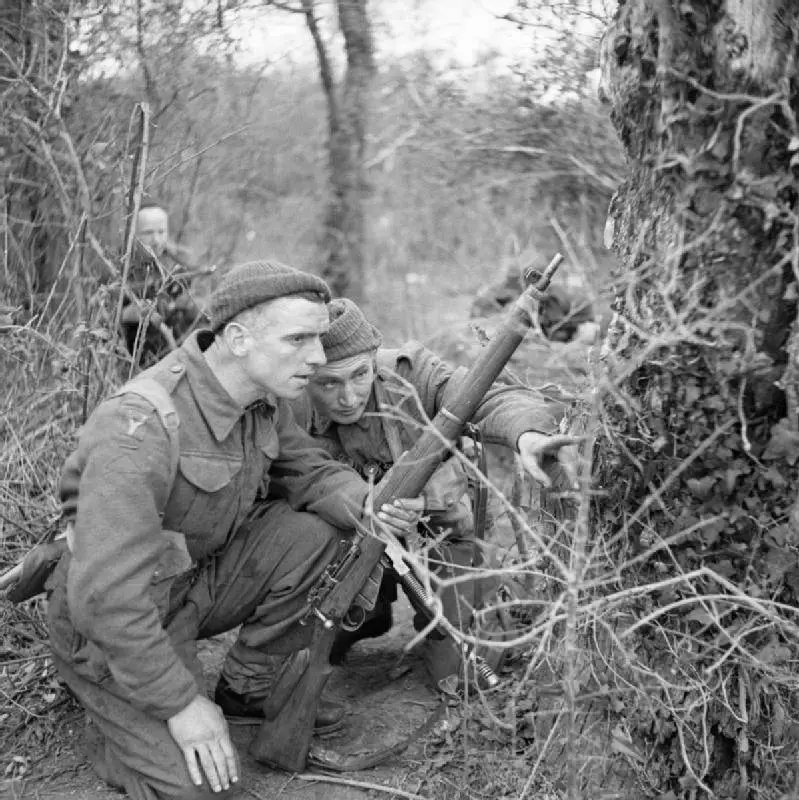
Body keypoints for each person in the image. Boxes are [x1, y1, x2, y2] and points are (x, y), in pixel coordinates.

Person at [47, 261, 421, 799]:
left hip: (191, 587)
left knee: (326, 532)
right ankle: (119, 728)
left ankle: (245, 690)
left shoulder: (261, 399)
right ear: (240, 339)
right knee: (207, 788)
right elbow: (104, 600)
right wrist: (180, 704)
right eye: (299, 339)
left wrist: (369, 505)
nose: (317, 358)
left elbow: (310, 472)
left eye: (318, 338)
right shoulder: (139, 430)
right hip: (111, 621)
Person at [290, 298, 576, 689]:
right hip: (348, 549)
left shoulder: (412, 373)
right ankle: (370, 613)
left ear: (375, 359)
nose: (348, 397)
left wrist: (527, 433)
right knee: (304, 654)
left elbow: (489, 395)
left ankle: (480, 603)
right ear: (306, 374)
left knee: (458, 678)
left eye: (359, 375)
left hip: (438, 537)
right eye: (327, 383)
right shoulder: (288, 400)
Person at [121, 198, 204, 366]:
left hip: (176, 353)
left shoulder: (177, 261)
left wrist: (183, 304)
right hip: (135, 358)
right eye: (148, 233)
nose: (156, 240)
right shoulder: (120, 267)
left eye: (161, 232)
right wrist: (137, 309)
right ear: (133, 233)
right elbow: (110, 318)